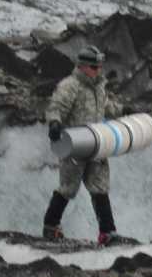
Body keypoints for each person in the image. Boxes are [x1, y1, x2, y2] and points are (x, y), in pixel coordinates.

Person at [42, 46, 118, 245]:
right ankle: (51, 225)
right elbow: (56, 107)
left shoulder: (99, 87)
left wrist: (123, 110)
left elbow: (107, 107)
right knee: (68, 187)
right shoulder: (70, 86)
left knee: (100, 186)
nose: (98, 70)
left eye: (100, 66)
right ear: (83, 66)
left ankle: (107, 232)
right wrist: (55, 123)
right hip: (74, 144)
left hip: (97, 143)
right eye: (94, 67)